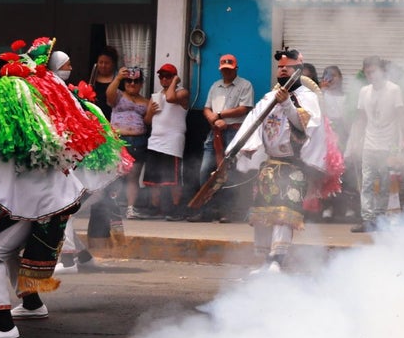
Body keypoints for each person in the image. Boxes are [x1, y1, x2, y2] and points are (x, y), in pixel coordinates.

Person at [0, 38, 127, 338]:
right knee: (4, 250)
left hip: (37, 204)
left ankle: (2, 326)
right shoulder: (25, 125)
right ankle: (32, 303)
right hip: (41, 202)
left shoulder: (18, 129)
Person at [232, 49, 342, 273]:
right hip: (270, 164)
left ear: (297, 70)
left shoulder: (308, 98)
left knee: (284, 213)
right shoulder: (267, 98)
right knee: (262, 214)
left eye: (287, 67)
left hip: (293, 166)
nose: (282, 70)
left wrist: (288, 105)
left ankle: (277, 260)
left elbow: (305, 127)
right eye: (280, 67)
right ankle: (264, 260)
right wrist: (236, 150)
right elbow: (251, 125)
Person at [190, 52, 254, 222]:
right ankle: (206, 210)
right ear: (220, 69)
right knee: (205, 170)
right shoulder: (215, 86)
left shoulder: (245, 85)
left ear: (236, 69)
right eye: (224, 69)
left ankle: (228, 211)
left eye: (229, 69)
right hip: (215, 132)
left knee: (230, 172)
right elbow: (206, 108)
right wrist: (211, 117)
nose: (226, 72)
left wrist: (219, 115)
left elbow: (244, 108)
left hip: (233, 132)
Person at [351, 56, 404, 233]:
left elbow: (400, 117)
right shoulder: (364, 91)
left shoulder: (394, 90)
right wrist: (356, 141)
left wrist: (400, 144)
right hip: (369, 143)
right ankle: (367, 219)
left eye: (373, 71)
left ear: (382, 71)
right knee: (366, 182)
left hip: (388, 144)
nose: (370, 75)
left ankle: (380, 218)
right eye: (367, 72)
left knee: (383, 183)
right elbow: (361, 119)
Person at [142, 63, 189, 221]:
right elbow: (147, 121)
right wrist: (151, 111)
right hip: (155, 140)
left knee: (173, 178)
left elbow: (170, 98)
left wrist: (175, 82)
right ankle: (155, 207)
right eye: (161, 76)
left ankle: (175, 208)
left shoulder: (182, 93)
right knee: (153, 179)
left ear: (175, 77)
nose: (164, 79)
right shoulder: (155, 96)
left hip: (172, 142)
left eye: (168, 76)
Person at [106, 66, 151, 218]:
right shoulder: (118, 95)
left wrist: (152, 110)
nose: (132, 84)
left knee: (133, 176)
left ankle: (130, 208)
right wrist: (118, 78)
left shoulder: (146, 101)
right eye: (129, 81)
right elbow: (108, 95)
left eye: (136, 81)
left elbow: (148, 121)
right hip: (119, 139)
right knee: (115, 174)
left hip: (138, 140)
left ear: (141, 83)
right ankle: (112, 206)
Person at [318, 64, 356, 221]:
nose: (331, 78)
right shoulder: (321, 95)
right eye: (327, 75)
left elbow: (350, 119)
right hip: (326, 136)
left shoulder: (347, 98)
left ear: (341, 78)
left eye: (334, 75)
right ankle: (327, 207)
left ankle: (347, 207)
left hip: (344, 135)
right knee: (327, 173)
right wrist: (320, 90)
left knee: (345, 173)